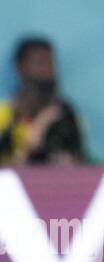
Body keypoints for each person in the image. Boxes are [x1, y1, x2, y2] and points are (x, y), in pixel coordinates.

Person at [0, 37, 86, 166]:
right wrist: (30, 144)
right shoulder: (3, 116)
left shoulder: (66, 117)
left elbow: (80, 165)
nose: (46, 71)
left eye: (50, 64)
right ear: (20, 67)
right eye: (39, 63)